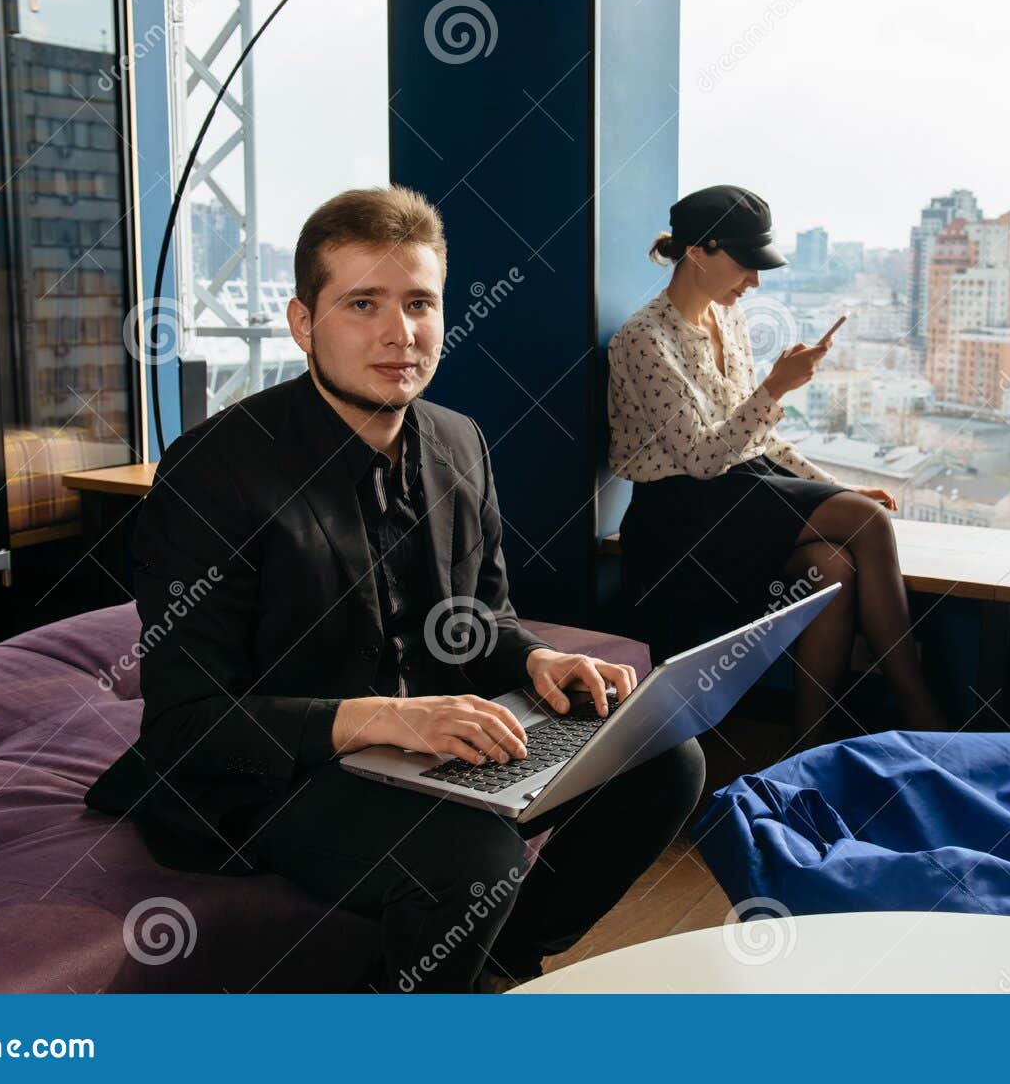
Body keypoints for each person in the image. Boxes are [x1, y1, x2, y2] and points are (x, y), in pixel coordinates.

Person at [87, 186, 705, 993]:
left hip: (424, 753)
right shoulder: (215, 471)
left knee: (666, 760)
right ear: (303, 322)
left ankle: (505, 961)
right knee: (477, 856)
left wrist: (537, 662)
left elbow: (479, 621)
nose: (398, 333)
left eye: (419, 303)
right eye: (362, 304)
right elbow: (186, 727)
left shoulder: (459, 440)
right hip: (274, 778)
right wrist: (388, 719)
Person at [607, 184, 946, 738]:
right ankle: (921, 711)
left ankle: (807, 746)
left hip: (737, 492)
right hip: (678, 520)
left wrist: (838, 488)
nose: (754, 282)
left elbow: (756, 444)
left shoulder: (729, 322)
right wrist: (775, 388)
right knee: (871, 522)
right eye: (745, 265)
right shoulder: (643, 341)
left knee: (834, 565)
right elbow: (701, 459)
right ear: (698, 253)